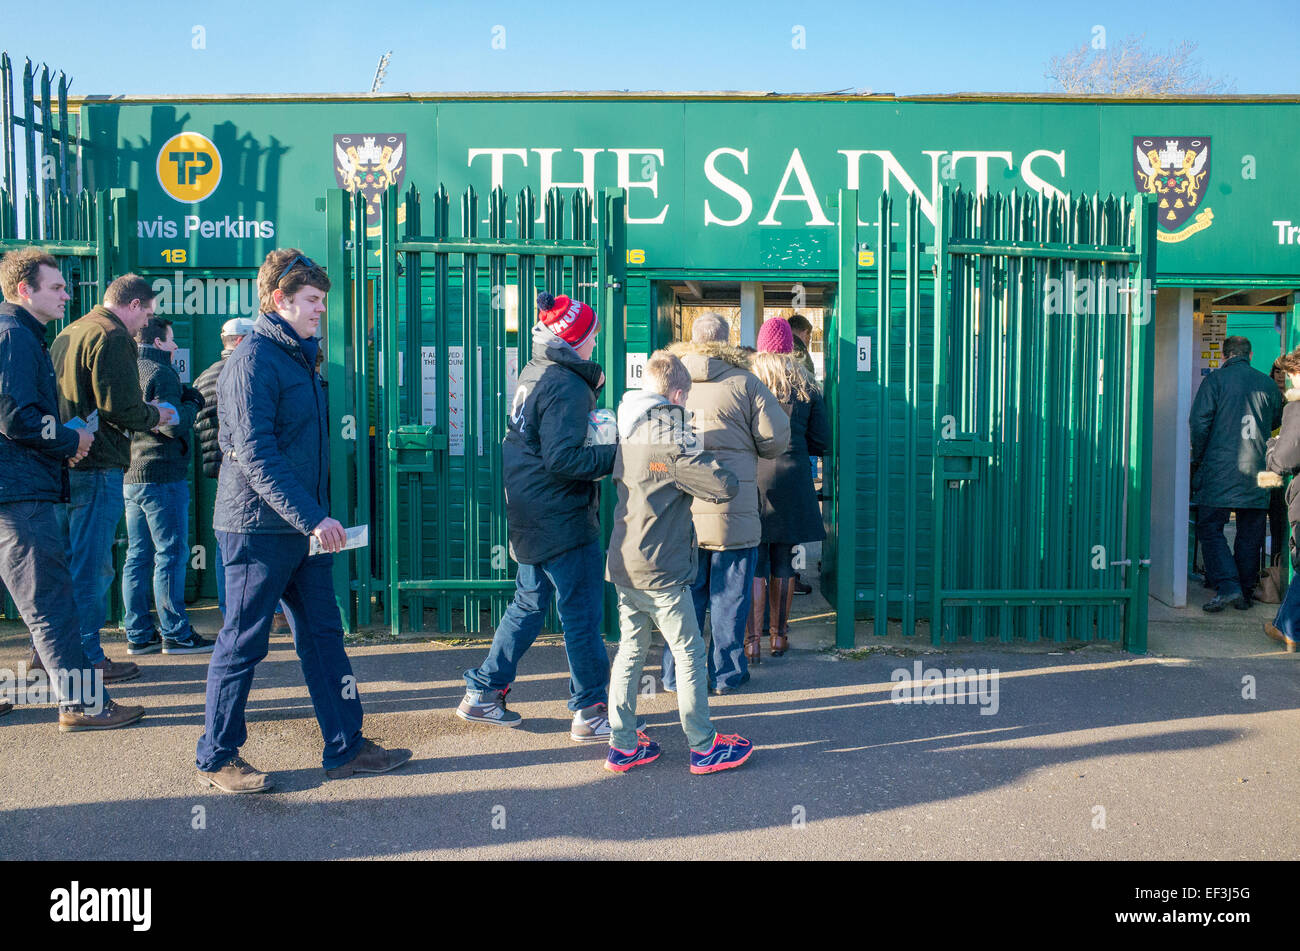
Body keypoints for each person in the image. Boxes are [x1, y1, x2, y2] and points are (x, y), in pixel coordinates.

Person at [196, 249, 409, 793]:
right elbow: (254, 452)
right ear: (279, 301)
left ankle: (346, 747)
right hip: (256, 528)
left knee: (323, 635)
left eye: (321, 300)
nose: (320, 310)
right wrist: (313, 517)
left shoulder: (297, 357)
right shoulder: (254, 361)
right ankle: (217, 756)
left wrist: (312, 520)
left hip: (299, 529)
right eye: (312, 301)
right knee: (242, 643)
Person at [457, 291, 619, 741]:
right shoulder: (566, 385)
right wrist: (617, 455)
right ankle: (591, 712)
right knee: (581, 615)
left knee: (528, 604)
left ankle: (483, 692)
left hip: (528, 509)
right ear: (576, 339)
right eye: (591, 336)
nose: (594, 345)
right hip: (561, 516)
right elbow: (564, 459)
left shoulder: (536, 370)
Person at [0, 248, 144, 730]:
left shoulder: (28, 335)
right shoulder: (16, 335)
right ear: (26, 290)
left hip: (20, 485)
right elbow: (17, 418)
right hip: (20, 491)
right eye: (57, 287)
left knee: (45, 597)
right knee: (51, 601)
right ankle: (85, 705)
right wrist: (71, 439)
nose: (67, 294)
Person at [604, 350, 754, 774]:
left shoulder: (627, 423)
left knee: (631, 650)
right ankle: (704, 745)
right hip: (661, 566)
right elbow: (718, 484)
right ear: (676, 392)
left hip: (624, 561)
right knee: (689, 651)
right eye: (684, 399)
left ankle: (623, 743)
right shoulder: (670, 428)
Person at [47, 274, 179, 683]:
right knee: (92, 568)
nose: (147, 323)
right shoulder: (112, 334)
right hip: (99, 462)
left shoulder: (69, 332)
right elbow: (119, 406)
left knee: (63, 566)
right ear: (135, 305)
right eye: (149, 312)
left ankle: (47, 652)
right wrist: (158, 414)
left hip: (65, 459)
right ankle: (86, 658)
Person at [664, 314, 790, 694]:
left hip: (681, 512)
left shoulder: (671, 380)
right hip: (732, 512)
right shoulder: (746, 383)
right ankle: (726, 675)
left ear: (690, 338)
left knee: (685, 598)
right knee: (730, 599)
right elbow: (775, 438)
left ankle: (674, 677)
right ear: (728, 340)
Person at [123, 316, 211, 655]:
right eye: (172, 341)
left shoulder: (129, 368)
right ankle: (175, 633)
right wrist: (192, 403)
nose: (176, 346)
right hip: (162, 475)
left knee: (137, 556)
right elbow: (173, 426)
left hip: (132, 474)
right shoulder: (161, 373)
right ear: (159, 343)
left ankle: (138, 635)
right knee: (171, 554)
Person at [193, 316, 288, 631]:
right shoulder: (244, 371)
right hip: (241, 467)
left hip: (219, 466)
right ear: (240, 340)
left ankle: (229, 610)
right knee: (253, 543)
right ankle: (262, 611)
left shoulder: (206, 375)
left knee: (227, 543)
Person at [749, 318, 830, 662]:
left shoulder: (747, 383)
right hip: (793, 478)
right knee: (784, 559)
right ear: (790, 347)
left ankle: (750, 641)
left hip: (752, 480)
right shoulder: (807, 385)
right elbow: (822, 441)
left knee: (754, 561)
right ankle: (778, 637)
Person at [1190, 335, 1283, 612]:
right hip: (1258, 472)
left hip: (1219, 468)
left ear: (1225, 355)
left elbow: (1199, 422)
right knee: (1250, 533)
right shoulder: (1267, 384)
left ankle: (1228, 586)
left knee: (1209, 528)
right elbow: (1275, 420)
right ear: (1250, 355)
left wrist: (1200, 457)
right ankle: (1243, 590)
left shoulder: (1215, 382)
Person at [1262, 349, 1300, 650]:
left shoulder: (1296, 407)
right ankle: (1285, 625)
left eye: (1290, 376)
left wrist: (1272, 446)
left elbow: (1284, 461)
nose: (1288, 383)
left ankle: (1288, 627)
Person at [788, 313, 816, 379]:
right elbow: (808, 381)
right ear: (805, 333)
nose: (809, 340)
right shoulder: (800, 353)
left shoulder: (780, 349)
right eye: (810, 336)